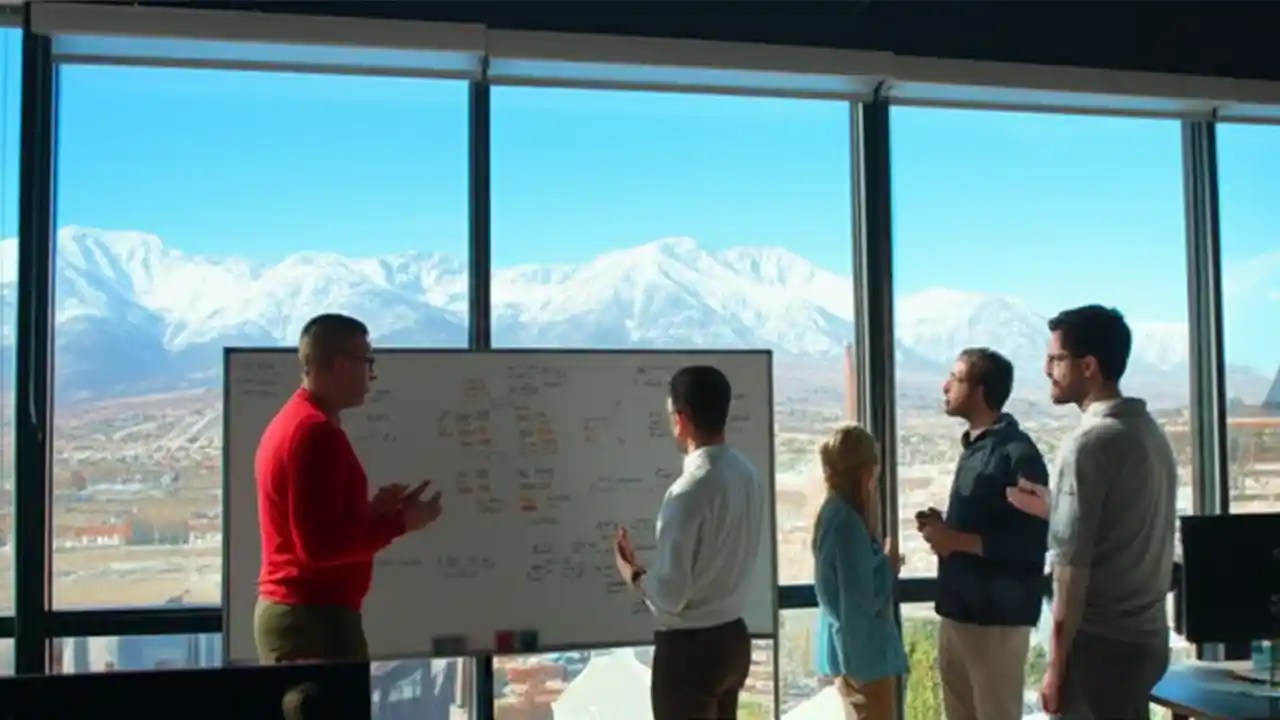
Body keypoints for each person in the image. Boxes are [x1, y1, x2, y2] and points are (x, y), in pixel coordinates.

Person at [254, 314, 443, 717]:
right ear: (340, 364)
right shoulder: (313, 433)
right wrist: (399, 523)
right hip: (313, 622)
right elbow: (318, 549)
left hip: (310, 617)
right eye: (367, 361)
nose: (371, 374)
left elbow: (317, 525)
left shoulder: (300, 423)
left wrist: (373, 511)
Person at [1007, 305, 1176, 720]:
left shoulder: (1088, 445)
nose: (1046, 369)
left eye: (1056, 359)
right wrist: (1057, 506)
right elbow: (1121, 526)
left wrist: (1056, 665)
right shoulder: (1149, 434)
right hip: (1146, 639)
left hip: (1100, 647)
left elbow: (1071, 570)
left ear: (1088, 366)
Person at [613, 365, 765, 719]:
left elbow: (671, 595)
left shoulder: (688, 490)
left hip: (690, 653)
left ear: (680, 419)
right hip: (733, 639)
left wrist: (633, 574)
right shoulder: (747, 473)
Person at [915, 348, 1050, 720]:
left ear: (978, 390)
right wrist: (944, 530)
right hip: (959, 611)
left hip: (995, 623)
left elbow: (1032, 540)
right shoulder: (977, 447)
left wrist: (955, 541)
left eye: (955, 378)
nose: (945, 386)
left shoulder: (1017, 454)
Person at [812, 424, 907, 720]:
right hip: (865, 658)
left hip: (853, 654)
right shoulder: (847, 523)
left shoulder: (834, 514)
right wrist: (888, 567)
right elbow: (861, 597)